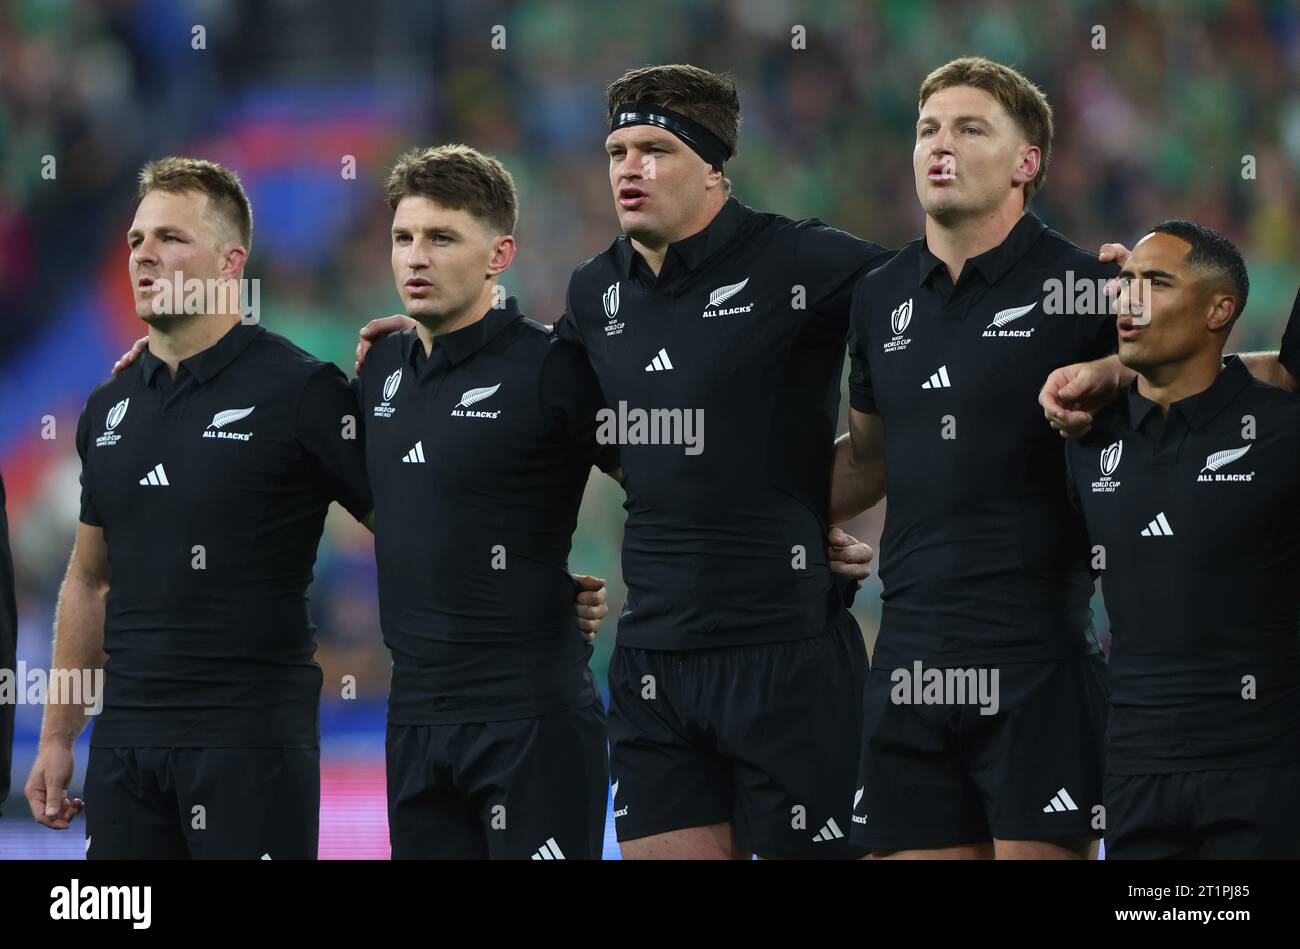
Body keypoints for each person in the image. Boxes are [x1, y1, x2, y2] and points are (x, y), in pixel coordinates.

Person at [359, 65, 882, 859]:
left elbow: (942, 315)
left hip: (787, 654)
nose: (628, 169)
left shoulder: (802, 261)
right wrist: (439, 348)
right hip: (653, 662)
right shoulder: (594, 291)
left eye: (655, 150)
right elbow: (565, 430)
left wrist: (815, 514)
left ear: (714, 167)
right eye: (616, 150)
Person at [26, 157, 373, 858]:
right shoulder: (108, 408)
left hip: (252, 747)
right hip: (126, 751)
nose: (145, 253)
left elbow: (413, 521)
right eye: (135, 240)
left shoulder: (302, 391)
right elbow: (90, 579)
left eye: (171, 237)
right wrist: (59, 736)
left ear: (229, 261)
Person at [835, 57, 1123, 859]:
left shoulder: (1087, 287)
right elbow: (869, 455)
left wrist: (1128, 355)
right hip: (908, 665)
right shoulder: (879, 295)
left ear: (1026, 162)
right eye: (928, 128)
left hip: (1038, 662)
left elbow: (1190, 397)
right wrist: (794, 521)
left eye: (970, 129)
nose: (940, 145)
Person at [363, 145, 619, 859]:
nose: (416, 256)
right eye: (403, 237)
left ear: (499, 252)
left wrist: (798, 532)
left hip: (531, 718)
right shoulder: (378, 367)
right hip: (414, 721)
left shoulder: (554, 367)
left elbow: (667, 483)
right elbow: (400, 505)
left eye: (442, 237)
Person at [1065, 221, 1300, 858]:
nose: (1129, 300)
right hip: (1135, 773)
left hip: (1264, 770)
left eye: (1157, 283)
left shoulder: (1283, 433)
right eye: (1127, 284)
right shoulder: (1084, 438)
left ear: (1218, 310)